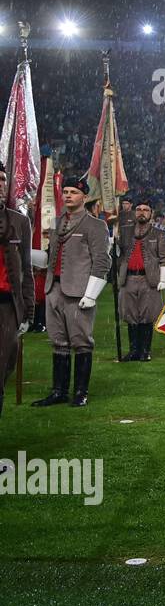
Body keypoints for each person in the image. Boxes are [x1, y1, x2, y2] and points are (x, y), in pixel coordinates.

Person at [33, 176, 110, 409]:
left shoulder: (96, 225)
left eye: (73, 192)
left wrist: (91, 294)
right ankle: (59, 391)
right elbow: (50, 256)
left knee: (81, 343)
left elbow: (101, 262)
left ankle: (80, 392)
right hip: (53, 288)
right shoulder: (57, 223)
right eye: (65, 191)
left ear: (84, 197)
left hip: (78, 292)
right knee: (58, 342)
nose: (67, 195)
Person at [115, 196, 165, 361]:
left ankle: (145, 351)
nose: (142, 213)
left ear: (151, 214)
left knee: (147, 315)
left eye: (145, 210)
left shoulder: (159, 233)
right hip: (129, 278)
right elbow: (117, 252)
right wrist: (112, 240)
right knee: (130, 315)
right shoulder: (125, 232)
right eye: (139, 209)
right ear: (134, 212)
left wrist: (163, 280)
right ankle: (134, 351)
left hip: (149, 279)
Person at [0, 161, 36, 418]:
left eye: (2, 179)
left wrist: (29, 311)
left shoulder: (20, 222)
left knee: (1, 373)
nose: (0, 185)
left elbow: (27, 270)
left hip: (6, 307)